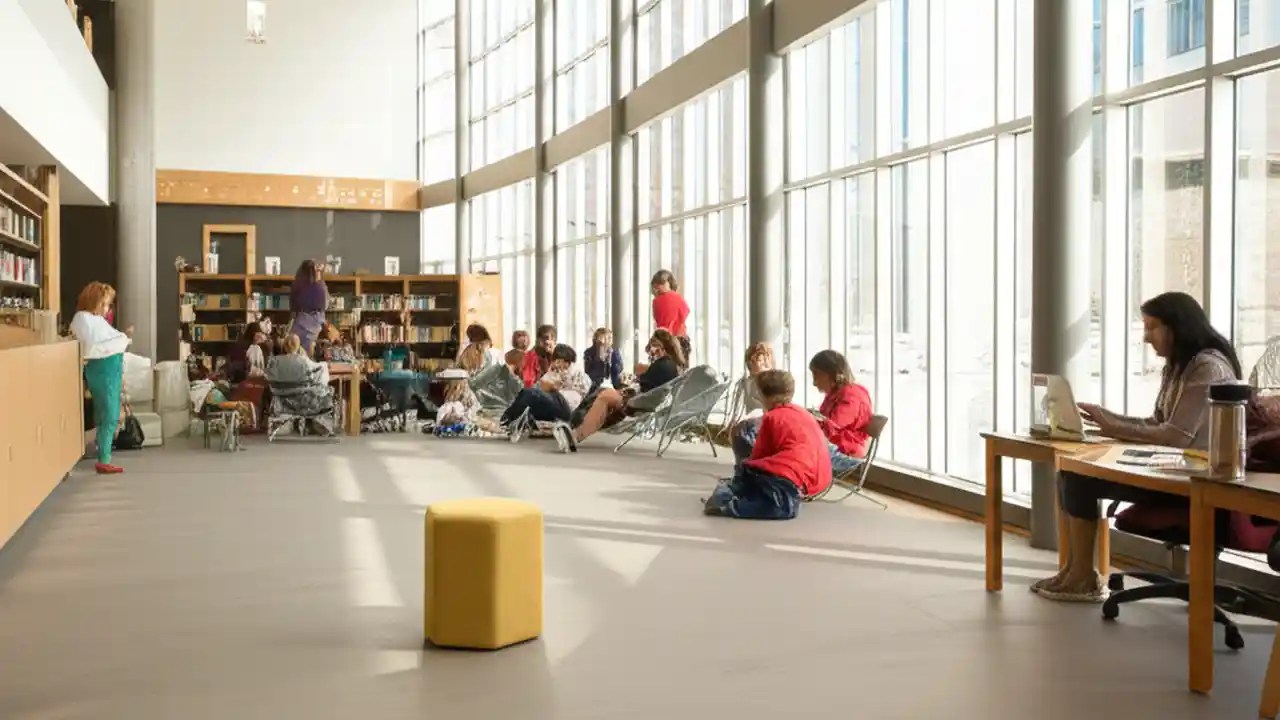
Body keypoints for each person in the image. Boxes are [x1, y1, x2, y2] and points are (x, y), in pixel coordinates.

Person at [1033, 291, 1242, 603]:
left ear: (1177, 326)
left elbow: (1177, 436)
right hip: (1175, 470)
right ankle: (1074, 570)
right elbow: (1157, 422)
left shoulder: (1207, 367)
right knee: (1070, 472)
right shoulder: (1179, 366)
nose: (1146, 337)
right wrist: (1108, 418)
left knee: (1081, 478)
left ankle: (1083, 577)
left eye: (1152, 327)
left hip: (1198, 480)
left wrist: (1114, 427)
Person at [703, 370, 831, 519]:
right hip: (817, 479)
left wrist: (745, 470)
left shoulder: (771, 418)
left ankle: (727, 504)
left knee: (781, 508)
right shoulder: (803, 413)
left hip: (788, 475)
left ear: (762, 395)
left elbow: (759, 454)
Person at [551, 329, 686, 452]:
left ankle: (576, 433)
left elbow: (644, 385)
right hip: (647, 401)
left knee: (604, 395)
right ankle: (576, 428)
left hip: (642, 402)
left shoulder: (663, 365)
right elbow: (649, 385)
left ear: (662, 347)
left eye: (654, 346)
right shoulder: (669, 365)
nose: (651, 350)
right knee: (602, 394)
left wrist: (629, 388)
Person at [70, 282, 131, 474]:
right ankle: (103, 459)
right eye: (103, 304)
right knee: (109, 414)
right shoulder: (84, 319)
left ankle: (103, 456)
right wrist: (122, 339)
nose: (106, 309)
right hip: (104, 369)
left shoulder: (90, 319)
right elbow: (94, 346)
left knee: (107, 413)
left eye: (108, 305)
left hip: (109, 369)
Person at [501, 344, 592, 429]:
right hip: (552, 406)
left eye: (560, 361)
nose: (557, 364)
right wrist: (545, 388)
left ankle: (504, 422)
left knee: (529, 393)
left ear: (568, 362)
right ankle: (509, 421)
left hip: (566, 407)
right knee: (526, 393)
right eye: (555, 361)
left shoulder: (578, 373)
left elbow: (583, 398)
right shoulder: (552, 373)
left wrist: (555, 389)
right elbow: (538, 389)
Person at [726, 342, 776, 467]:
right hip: (751, 421)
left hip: (765, 421)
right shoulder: (746, 382)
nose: (752, 364)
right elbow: (737, 405)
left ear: (768, 362)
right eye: (750, 361)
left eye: (757, 360)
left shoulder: (772, 383)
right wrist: (733, 422)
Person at [290, 259, 329, 355]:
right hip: (314, 322)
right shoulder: (319, 287)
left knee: (296, 350)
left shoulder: (297, 286)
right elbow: (325, 305)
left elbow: (293, 308)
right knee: (309, 351)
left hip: (300, 321)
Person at [651, 269, 690, 352]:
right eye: (658, 284)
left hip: (665, 340)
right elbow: (686, 312)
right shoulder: (677, 297)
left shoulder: (657, 301)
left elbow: (658, 320)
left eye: (662, 283)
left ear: (669, 283)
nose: (660, 286)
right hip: (680, 338)